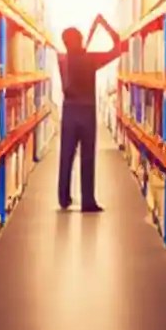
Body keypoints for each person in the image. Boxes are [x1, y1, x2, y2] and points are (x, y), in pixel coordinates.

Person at [56, 14, 125, 212]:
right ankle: (88, 201)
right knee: (88, 157)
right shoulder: (90, 59)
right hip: (87, 112)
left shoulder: (62, 60)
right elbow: (118, 48)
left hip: (69, 112)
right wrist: (105, 25)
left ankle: (63, 197)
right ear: (79, 40)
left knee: (66, 155)